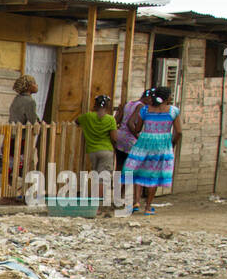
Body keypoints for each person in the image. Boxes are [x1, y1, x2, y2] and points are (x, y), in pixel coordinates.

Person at [124, 86, 181, 215]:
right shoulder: (173, 111)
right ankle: (148, 207)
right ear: (167, 98)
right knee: (154, 176)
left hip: (144, 142)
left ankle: (136, 202)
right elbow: (179, 132)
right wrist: (172, 144)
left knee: (139, 171)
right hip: (162, 145)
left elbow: (137, 128)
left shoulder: (145, 110)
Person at [113, 89, 153, 173]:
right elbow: (130, 123)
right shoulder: (141, 106)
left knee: (119, 166)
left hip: (120, 137)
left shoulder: (129, 103)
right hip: (129, 140)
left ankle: (117, 186)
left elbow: (118, 120)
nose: (151, 103)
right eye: (151, 100)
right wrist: (139, 139)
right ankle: (124, 186)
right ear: (147, 98)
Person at [76, 94, 118, 173]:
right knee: (103, 179)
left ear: (95, 105)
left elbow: (77, 121)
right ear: (107, 106)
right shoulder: (110, 119)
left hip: (92, 151)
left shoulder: (87, 117)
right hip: (106, 150)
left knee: (95, 176)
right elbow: (114, 138)